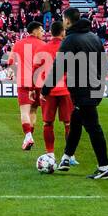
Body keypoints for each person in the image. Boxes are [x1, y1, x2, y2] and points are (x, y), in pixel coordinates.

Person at [41, 8, 108, 180]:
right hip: (94, 87)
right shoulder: (94, 37)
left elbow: (59, 68)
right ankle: (66, 157)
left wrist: (45, 90)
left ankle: (104, 166)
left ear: (66, 20)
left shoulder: (70, 40)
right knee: (76, 120)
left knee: (93, 127)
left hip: (83, 89)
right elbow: (104, 64)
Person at [39, 20, 75, 168]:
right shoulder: (68, 47)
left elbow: (36, 68)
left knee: (48, 123)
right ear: (62, 32)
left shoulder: (43, 48)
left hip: (48, 91)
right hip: (66, 89)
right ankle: (70, 156)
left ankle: (50, 153)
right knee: (68, 123)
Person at [6, 21, 45, 150]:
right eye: (41, 30)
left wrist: (12, 73)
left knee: (24, 111)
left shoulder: (18, 44)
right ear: (34, 31)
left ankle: (28, 136)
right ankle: (29, 137)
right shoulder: (43, 45)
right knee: (34, 110)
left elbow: (10, 62)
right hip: (39, 82)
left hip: (24, 81)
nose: (43, 32)